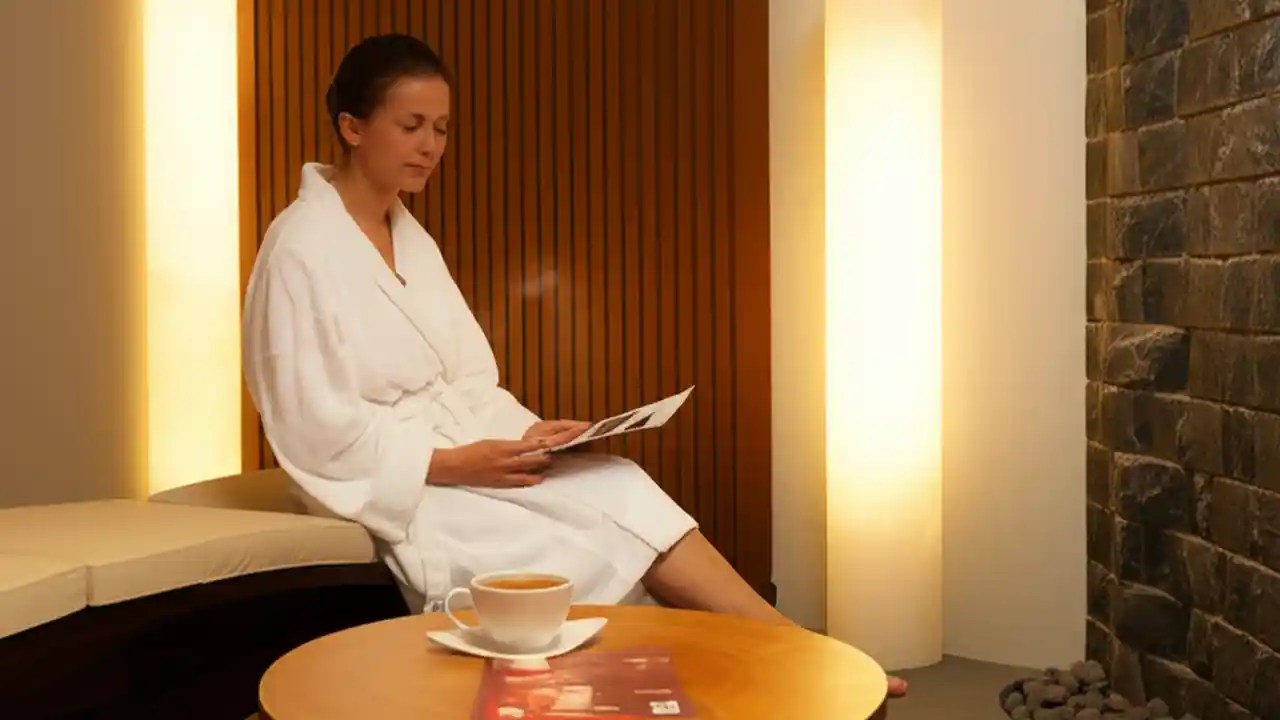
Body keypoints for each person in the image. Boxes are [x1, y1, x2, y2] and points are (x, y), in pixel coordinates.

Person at [240, 33, 906, 698]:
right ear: (352, 127)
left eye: (441, 128)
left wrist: (526, 435)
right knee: (557, 542)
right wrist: (447, 464)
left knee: (616, 480)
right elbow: (310, 425)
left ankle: (785, 644)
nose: (430, 146)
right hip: (385, 481)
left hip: (457, 452)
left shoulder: (406, 235)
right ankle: (752, 669)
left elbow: (471, 379)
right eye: (411, 126)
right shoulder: (301, 248)